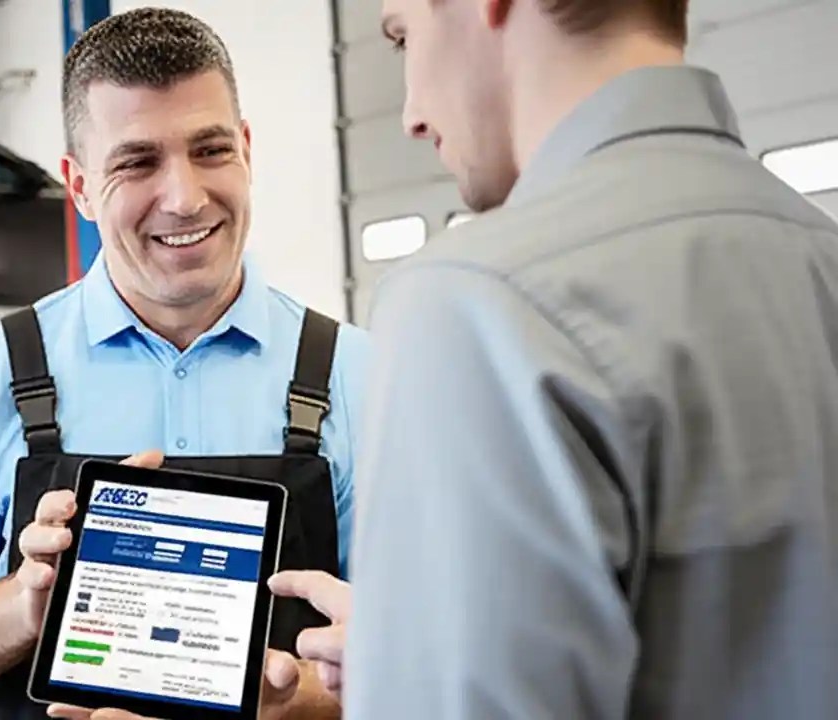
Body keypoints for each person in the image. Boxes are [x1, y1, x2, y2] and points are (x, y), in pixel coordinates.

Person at [64, 0, 838, 718]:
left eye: (402, 35)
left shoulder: (477, 302)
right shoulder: (820, 255)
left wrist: (407, 675)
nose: (408, 115)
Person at [0, 7, 366, 720]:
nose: (185, 197)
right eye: (137, 162)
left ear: (247, 149)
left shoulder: (355, 376)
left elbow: (436, 654)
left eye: (211, 149)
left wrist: (287, 706)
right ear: (81, 187)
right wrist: (27, 602)